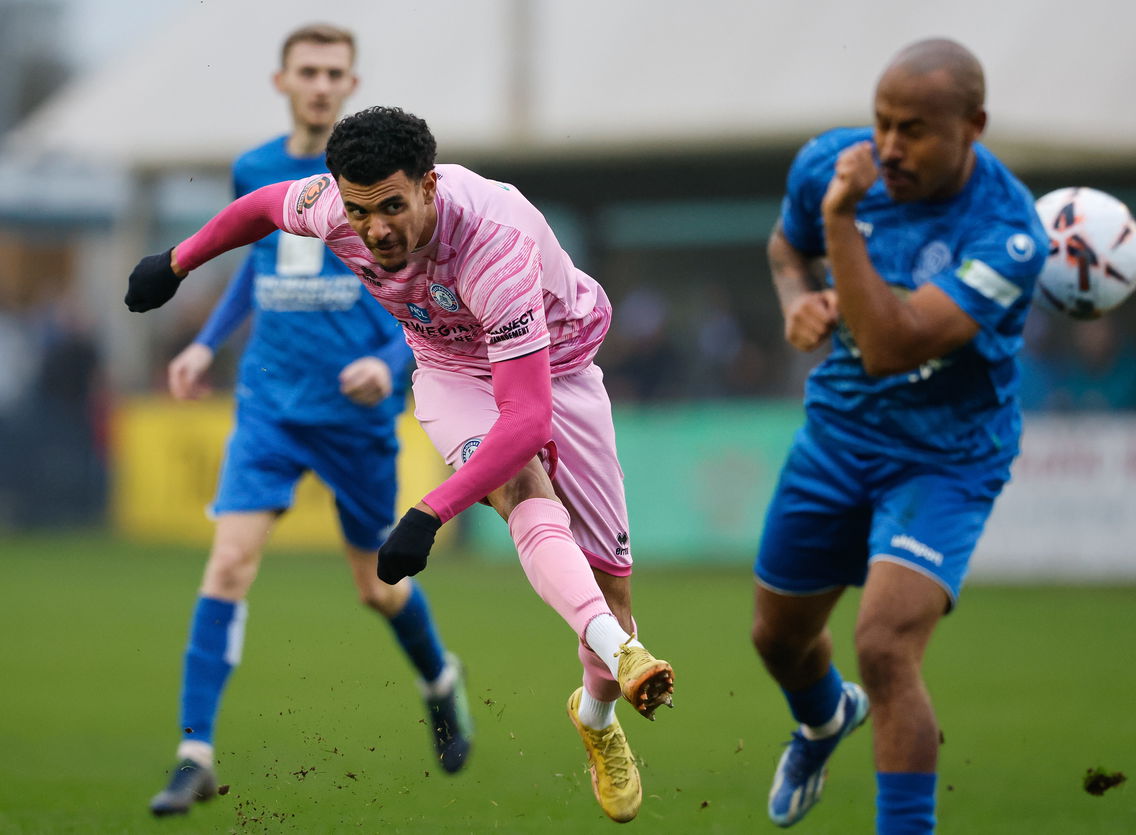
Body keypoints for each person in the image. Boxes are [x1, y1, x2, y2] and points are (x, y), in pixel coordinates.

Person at [126, 105, 675, 824]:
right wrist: (177, 261)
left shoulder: (492, 244)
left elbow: (528, 419)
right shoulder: (333, 209)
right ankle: (623, 653)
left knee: (613, 585)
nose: (376, 229)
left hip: (557, 370)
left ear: (429, 186)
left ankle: (598, 717)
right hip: (449, 367)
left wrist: (430, 510)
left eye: (392, 206)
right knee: (521, 489)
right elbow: (260, 207)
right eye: (361, 211)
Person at [146, 27, 471, 817]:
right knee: (228, 565)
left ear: (351, 80)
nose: (321, 84)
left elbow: (430, 288)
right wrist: (205, 343)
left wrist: (389, 367)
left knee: (378, 587)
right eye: (309, 72)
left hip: (353, 414)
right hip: (269, 405)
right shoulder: (257, 171)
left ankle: (439, 677)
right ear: (282, 80)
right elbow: (257, 267)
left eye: (334, 73)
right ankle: (193, 753)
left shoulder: (383, 180)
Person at [753, 39, 1048, 832]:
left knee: (884, 644)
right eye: (882, 122)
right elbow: (787, 248)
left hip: (945, 458)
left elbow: (892, 346)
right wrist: (797, 299)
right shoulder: (830, 163)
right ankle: (822, 719)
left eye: (913, 129)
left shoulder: (1010, 236)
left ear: (972, 127)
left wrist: (841, 221)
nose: (888, 146)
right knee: (778, 639)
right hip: (839, 434)